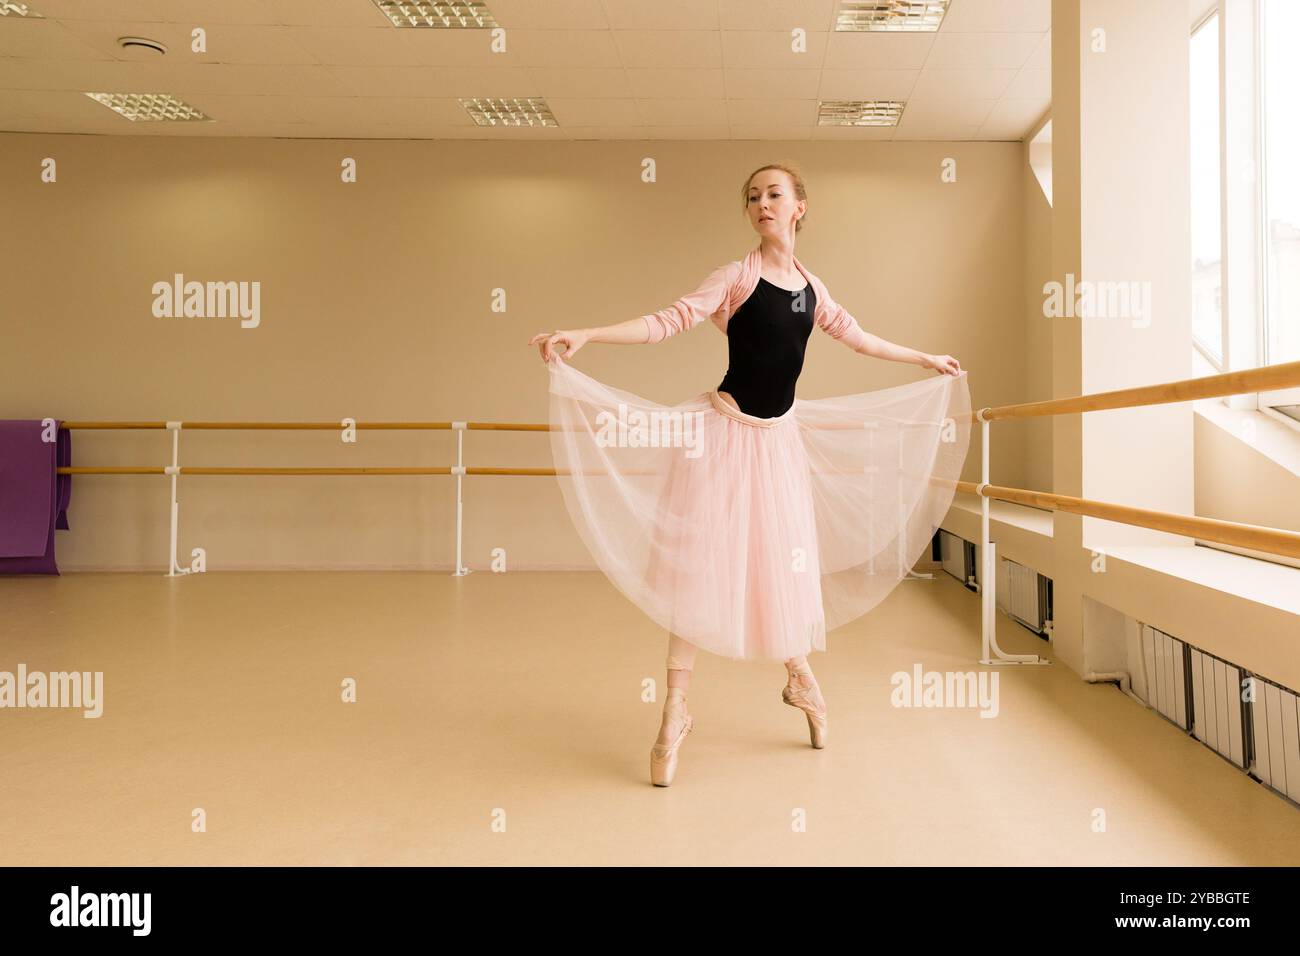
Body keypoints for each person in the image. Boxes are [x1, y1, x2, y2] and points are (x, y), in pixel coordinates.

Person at [529, 162, 970, 787]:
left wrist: (925, 358)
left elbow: (862, 339)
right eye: (752, 197)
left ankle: (801, 680)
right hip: (722, 439)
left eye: (774, 194)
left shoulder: (813, 289)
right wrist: (588, 334)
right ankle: (675, 712)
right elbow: (666, 322)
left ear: (799, 207)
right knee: (698, 569)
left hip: (778, 445)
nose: (762, 203)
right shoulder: (736, 277)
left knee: (779, 564)